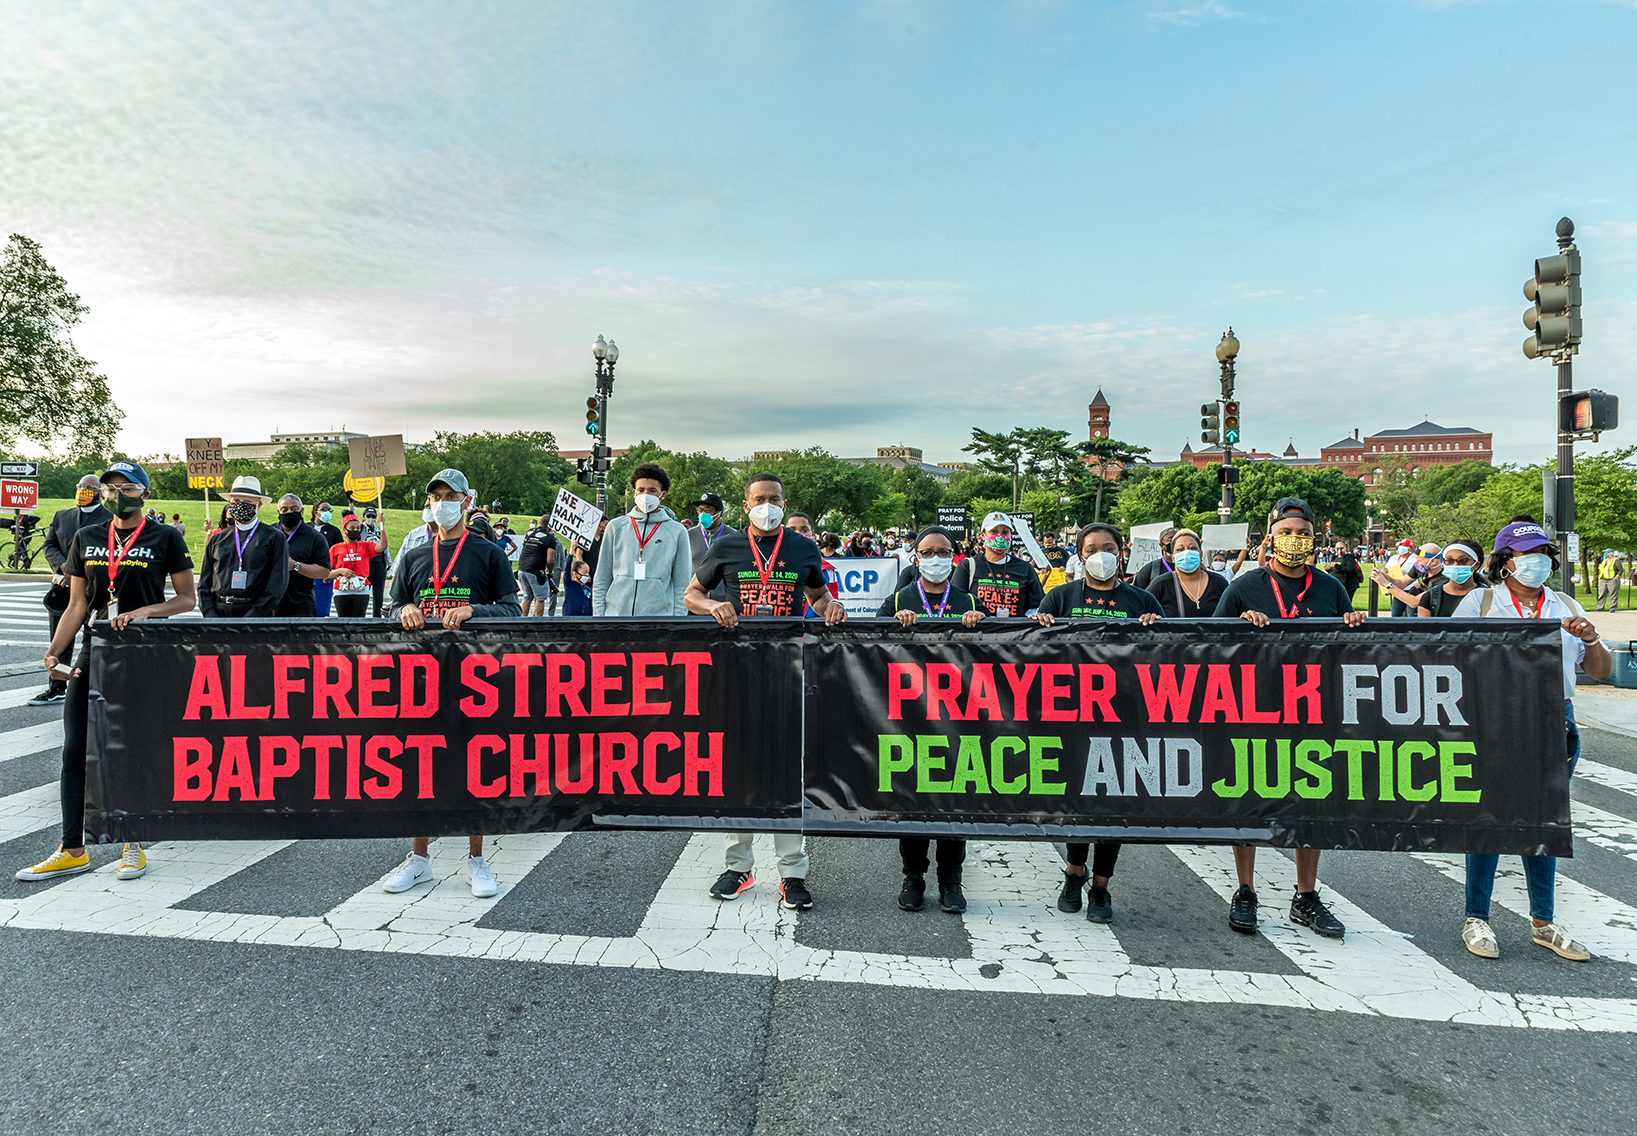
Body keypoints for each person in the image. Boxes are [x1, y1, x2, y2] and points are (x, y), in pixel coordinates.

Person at [16, 462, 195, 884]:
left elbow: (186, 598)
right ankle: (71, 847)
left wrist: (147, 611)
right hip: (93, 650)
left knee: (131, 747)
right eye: (110, 486)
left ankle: (132, 843)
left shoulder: (164, 536)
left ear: (143, 494)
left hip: (142, 653)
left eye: (127, 487)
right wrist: (56, 648)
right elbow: (78, 603)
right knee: (75, 749)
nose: (116, 493)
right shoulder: (87, 536)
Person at [686, 472, 845, 911]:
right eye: (759, 499)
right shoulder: (728, 546)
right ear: (745, 504)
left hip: (789, 669)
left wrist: (829, 605)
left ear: (783, 500)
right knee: (740, 767)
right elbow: (691, 595)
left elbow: (817, 596)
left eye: (774, 498)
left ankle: (792, 872)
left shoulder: (802, 547)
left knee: (786, 770)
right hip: (739, 670)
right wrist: (712, 604)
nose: (767, 505)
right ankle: (739, 866)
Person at [1452, 517, 1609, 962]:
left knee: (1544, 819)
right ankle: (1476, 917)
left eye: (1541, 554)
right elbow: (1451, 663)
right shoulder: (1481, 604)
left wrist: (1592, 638)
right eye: (1525, 556)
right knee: (1489, 819)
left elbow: (1599, 671)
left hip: (1553, 719)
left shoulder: (1564, 604)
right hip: (1494, 720)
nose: (1535, 562)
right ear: (1505, 563)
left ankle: (1543, 920)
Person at [1212, 497, 1364, 939]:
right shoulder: (1244, 586)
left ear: (1315, 538)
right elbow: (1212, 645)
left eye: (1302, 533)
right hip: (1254, 708)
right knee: (1250, 798)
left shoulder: (1331, 587)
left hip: (1313, 710)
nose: (1294, 540)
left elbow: (1346, 645)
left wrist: (1354, 621)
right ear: (1270, 538)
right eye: (1286, 532)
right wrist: (1240, 623)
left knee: (1310, 801)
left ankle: (1306, 894)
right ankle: (1245, 890)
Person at [383, 469, 521, 899]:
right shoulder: (414, 556)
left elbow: (513, 610)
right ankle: (419, 858)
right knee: (420, 765)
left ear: (466, 501)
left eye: (450, 496)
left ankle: (476, 860)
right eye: (435, 496)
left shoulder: (488, 552)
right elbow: (390, 609)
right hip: (421, 677)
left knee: (474, 765)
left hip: (476, 678)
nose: (442, 502)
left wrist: (473, 610)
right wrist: (404, 608)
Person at [1032, 523, 1164, 923]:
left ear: (1121, 553)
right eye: (1091, 549)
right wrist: (1037, 626)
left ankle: (1101, 885)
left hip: (1127, 715)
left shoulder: (1141, 601)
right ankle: (1074, 872)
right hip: (1072, 713)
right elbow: (1027, 650)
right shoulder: (1060, 597)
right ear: (1079, 554)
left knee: (1114, 800)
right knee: (1077, 796)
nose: (1100, 555)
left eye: (1108, 547)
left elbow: (1168, 657)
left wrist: (1155, 632)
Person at [877, 525, 986, 915]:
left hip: (960, 715)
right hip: (912, 715)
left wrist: (981, 621)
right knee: (915, 801)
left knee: (956, 801)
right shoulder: (899, 599)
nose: (935, 558)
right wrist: (891, 624)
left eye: (943, 551)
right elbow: (869, 646)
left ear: (954, 556)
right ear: (915, 556)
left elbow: (994, 655)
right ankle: (913, 876)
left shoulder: (966, 598)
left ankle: (951, 881)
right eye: (927, 551)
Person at [31, 473, 110, 706]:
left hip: (94, 590)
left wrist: (78, 572)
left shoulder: (110, 518)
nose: (84, 490)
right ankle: (58, 686)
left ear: (101, 492)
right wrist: (64, 566)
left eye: (90, 487)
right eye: (81, 486)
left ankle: (96, 686)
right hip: (64, 587)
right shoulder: (62, 515)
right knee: (61, 638)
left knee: (94, 638)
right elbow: (49, 545)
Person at [594, 462, 692, 616]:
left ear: (662, 494)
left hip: (658, 621)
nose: (646, 495)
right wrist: (600, 618)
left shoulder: (677, 531)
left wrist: (676, 623)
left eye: (652, 491)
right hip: (615, 619)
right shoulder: (615, 527)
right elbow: (602, 578)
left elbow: (682, 585)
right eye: (641, 490)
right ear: (634, 493)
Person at [198, 475, 289, 618]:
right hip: (219, 612)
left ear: (259, 505)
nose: (241, 505)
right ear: (229, 502)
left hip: (257, 614)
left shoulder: (274, 537)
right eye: (237, 501)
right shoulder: (218, 538)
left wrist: (253, 616)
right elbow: (204, 581)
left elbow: (277, 583)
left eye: (248, 502)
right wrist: (209, 613)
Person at [956, 512, 1045, 619]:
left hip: (1015, 633)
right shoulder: (968, 567)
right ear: (982, 536)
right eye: (994, 531)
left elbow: (1036, 607)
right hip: (978, 634)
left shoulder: (1025, 569)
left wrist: (1034, 616)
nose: (1000, 536)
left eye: (1005, 532)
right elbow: (956, 602)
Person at [273, 493, 336, 617]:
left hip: (301, 603)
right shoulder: (268, 534)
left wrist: (295, 566)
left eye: (294, 509)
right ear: (278, 511)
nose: (289, 512)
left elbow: (324, 571)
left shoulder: (315, 537)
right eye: (284, 509)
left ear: (301, 511)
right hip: (271, 602)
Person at [1146, 528, 1228, 618]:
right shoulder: (1160, 585)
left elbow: (1233, 613)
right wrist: (1149, 617)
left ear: (1201, 554)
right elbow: (1141, 612)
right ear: (1173, 557)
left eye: (1192, 548)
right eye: (1180, 549)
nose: (1187, 552)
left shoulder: (1219, 582)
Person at [328, 511, 386, 617]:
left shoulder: (365, 546)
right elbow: (327, 573)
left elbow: (382, 546)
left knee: (359, 622)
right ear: (344, 529)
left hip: (361, 591)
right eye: (352, 528)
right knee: (343, 622)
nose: (355, 530)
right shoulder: (336, 548)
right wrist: (340, 571)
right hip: (341, 591)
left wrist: (381, 527)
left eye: (358, 528)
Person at [686, 493, 736, 604]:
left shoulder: (733, 536)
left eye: (708, 510)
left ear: (719, 513)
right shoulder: (689, 535)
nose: (703, 514)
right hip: (695, 602)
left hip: (723, 602)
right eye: (700, 510)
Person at [1416, 539, 1482, 617]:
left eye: (1463, 560)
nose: (1455, 565)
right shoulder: (1431, 597)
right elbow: (1424, 628)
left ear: (1476, 565)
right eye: (1449, 560)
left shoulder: (1488, 596)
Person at [517, 515, 559, 617]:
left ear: (540, 523)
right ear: (551, 525)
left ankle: (522, 621)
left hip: (522, 569)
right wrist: (550, 572)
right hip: (536, 570)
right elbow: (550, 560)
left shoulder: (529, 533)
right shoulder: (550, 539)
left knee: (527, 597)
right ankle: (537, 623)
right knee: (540, 598)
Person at [310, 501, 344, 617]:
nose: (327, 512)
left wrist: (333, 573)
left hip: (324, 575)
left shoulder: (334, 531)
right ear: (315, 512)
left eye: (329, 510)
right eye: (324, 509)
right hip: (305, 572)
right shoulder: (305, 528)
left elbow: (341, 554)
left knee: (322, 607)